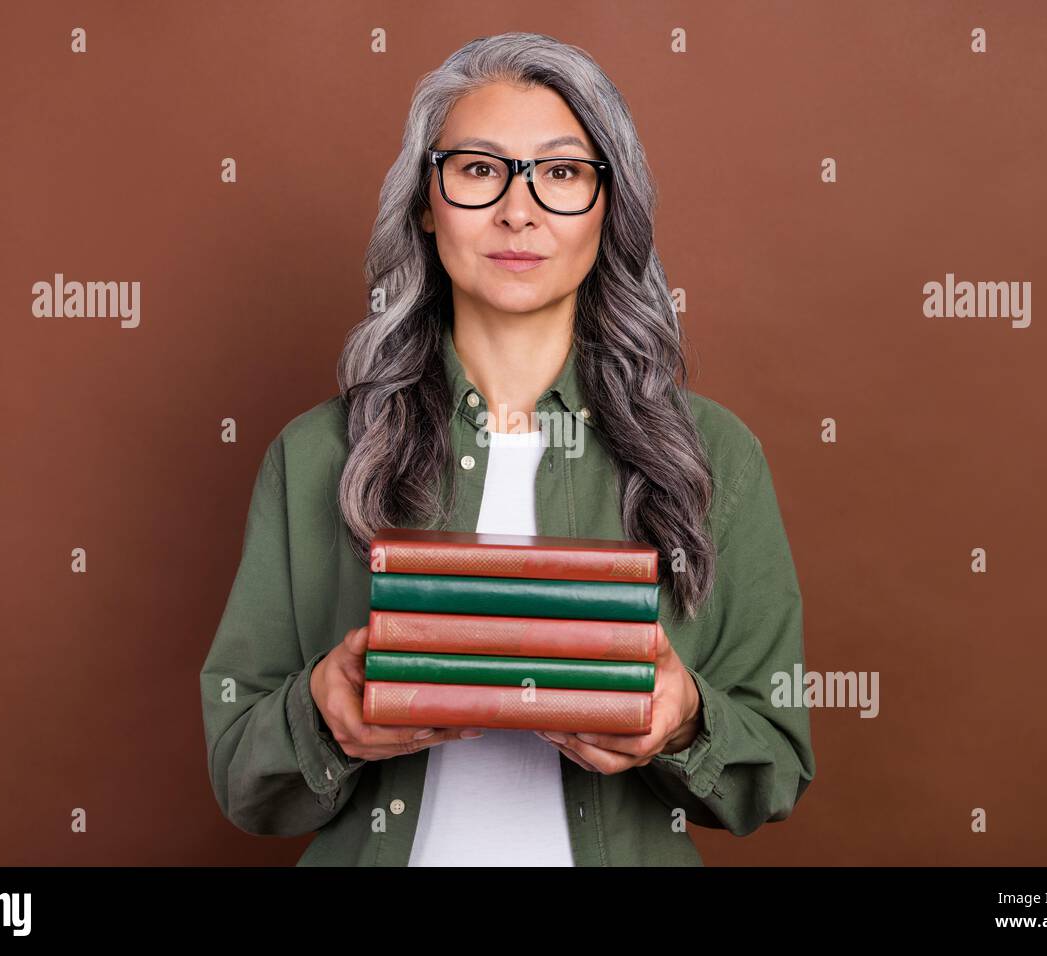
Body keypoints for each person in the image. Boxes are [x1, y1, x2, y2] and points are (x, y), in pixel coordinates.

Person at [199, 31, 815, 866]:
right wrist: (320, 709)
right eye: (480, 169)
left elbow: (775, 765)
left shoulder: (713, 456)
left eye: (561, 173)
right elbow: (243, 779)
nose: (517, 211)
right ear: (425, 202)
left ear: (609, 205)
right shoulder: (315, 455)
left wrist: (685, 721)